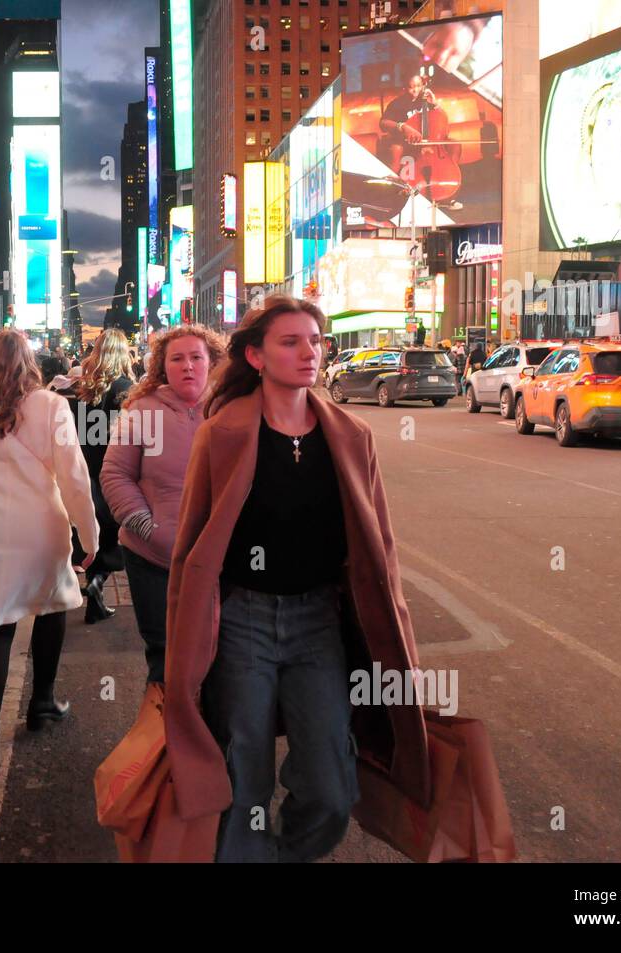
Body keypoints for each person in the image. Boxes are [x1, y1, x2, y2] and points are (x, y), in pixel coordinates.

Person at [164, 295, 430, 863]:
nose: (309, 352)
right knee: (244, 777)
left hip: (319, 625)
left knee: (332, 788)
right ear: (256, 357)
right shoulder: (224, 434)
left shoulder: (352, 437)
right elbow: (192, 548)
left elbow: (379, 548)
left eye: (316, 340)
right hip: (243, 622)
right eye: (291, 341)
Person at [0, 330, 98, 773]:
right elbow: (74, 477)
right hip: (41, 526)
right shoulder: (52, 406)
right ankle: (42, 702)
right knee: (52, 607)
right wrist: (90, 535)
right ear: (29, 360)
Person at [100, 325, 224, 685]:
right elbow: (115, 474)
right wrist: (149, 528)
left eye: (196, 357)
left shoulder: (229, 409)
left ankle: (212, 739)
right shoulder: (142, 410)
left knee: (221, 657)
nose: (188, 366)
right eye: (177, 358)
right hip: (153, 560)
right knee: (165, 658)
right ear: (163, 367)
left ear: (211, 361)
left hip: (219, 560)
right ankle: (165, 737)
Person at [68, 329, 135, 624]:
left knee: (97, 532)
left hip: (85, 470)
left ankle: (94, 592)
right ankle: (96, 585)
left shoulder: (81, 388)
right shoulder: (126, 389)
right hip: (115, 471)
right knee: (115, 534)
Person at [379, 71, 440, 175]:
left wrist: (434, 103)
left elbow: (439, 120)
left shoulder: (426, 101)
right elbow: (383, 123)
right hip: (406, 142)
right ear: (404, 88)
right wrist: (403, 127)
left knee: (454, 145)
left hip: (425, 141)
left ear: (423, 86)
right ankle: (393, 178)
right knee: (396, 149)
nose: (416, 90)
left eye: (418, 86)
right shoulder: (397, 103)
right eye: (411, 87)